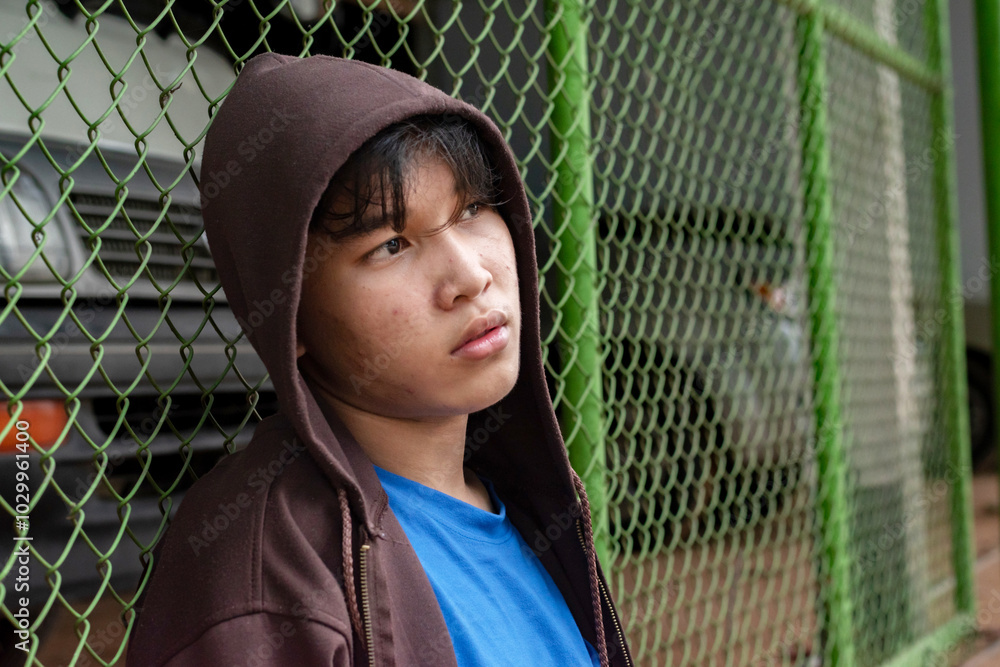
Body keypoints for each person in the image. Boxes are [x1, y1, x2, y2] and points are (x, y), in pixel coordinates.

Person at [126, 53, 632, 666]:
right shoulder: (268, 579)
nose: (470, 277)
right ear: (291, 312)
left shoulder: (527, 505)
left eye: (472, 210)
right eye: (392, 245)